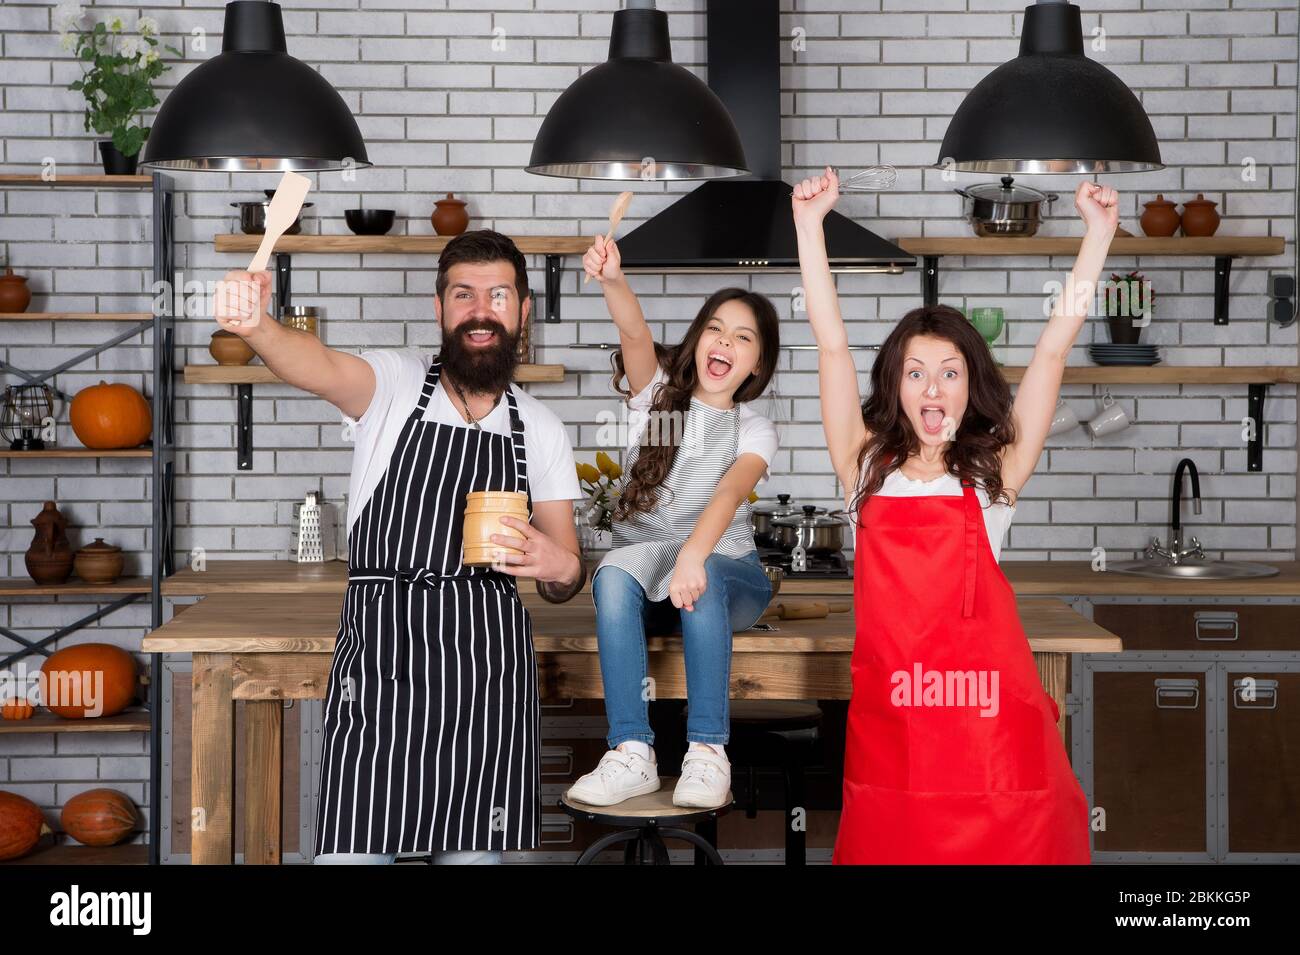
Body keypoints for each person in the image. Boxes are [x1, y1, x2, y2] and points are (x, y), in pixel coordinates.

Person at [214, 230, 586, 864]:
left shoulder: (540, 428)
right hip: (380, 670)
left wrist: (556, 565)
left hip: (483, 676)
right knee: (351, 855)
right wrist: (258, 328)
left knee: (472, 860)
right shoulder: (392, 384)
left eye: (498, 295)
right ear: (438, 307)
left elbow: (569, 570)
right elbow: (317, 365)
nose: (480, 309)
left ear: (524, 310)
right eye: (463, 294)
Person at [792, 166, 1114, 864]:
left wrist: (1098, 235)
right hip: (897, 728)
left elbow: (1053, 346)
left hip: (991, 730)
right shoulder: (863, 468)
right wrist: (809, 230)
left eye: (949, 371)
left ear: (971, 385)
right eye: (915, 372)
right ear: (895, 385)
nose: (932, 385)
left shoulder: (993, 472)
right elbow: (830, 343)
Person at [564, 233, 780, 809]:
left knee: (703, 574)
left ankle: (708, 753)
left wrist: (693, 555)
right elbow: (634, 332)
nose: (725, 341)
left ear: (757, 363)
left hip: (728, 567)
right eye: (715, 328)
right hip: (658, 558)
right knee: (611, 574)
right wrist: (612, 279)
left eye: (743, 337)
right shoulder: (655, 395)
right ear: (696, 338)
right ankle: (631, 751)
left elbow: (731, 492)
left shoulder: (754, 428)